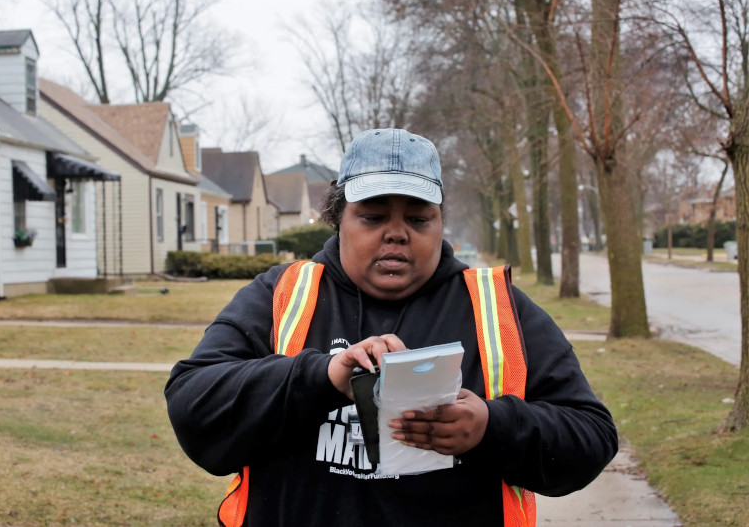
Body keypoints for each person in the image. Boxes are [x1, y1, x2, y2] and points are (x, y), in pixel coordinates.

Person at [165, 128, 618, 527]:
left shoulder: (496, 308)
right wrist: (320, 375)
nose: (397, 233)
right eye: (374, 216)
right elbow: (193, 404)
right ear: (338, 219)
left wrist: (492, 427)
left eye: (418, 219)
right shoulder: (282, 295)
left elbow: (591, 436)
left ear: (441, 223)